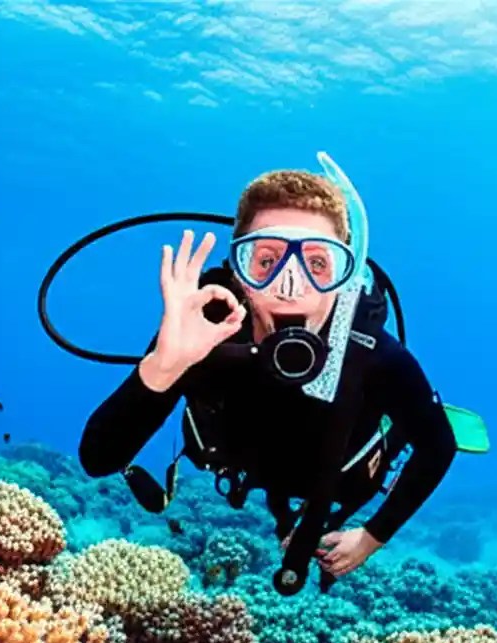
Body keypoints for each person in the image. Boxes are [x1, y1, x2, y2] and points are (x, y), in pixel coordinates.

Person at [75, 157, 472, 591]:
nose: (290, 285)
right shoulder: (202, 333)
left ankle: (401, 419)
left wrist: (372, 537)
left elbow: (438, 446)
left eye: (317, 264)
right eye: (266, 261)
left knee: (405, 426)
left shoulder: (373, 354)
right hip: (247, 464)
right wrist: (164, 366)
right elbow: (98, 459)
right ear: (239, 272)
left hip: (343, 475)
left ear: (344, 276)